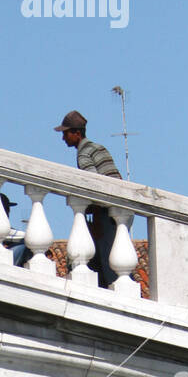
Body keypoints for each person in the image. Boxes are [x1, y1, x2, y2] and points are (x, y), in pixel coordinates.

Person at [54, 109, 122, 289]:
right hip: (119, 210)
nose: (63, 138)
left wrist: (97, 217)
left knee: (109, 266)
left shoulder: (83, 153)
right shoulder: (98, 147)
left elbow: (95, 187)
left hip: (106, 213)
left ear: (76, 133)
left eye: (66, 133)